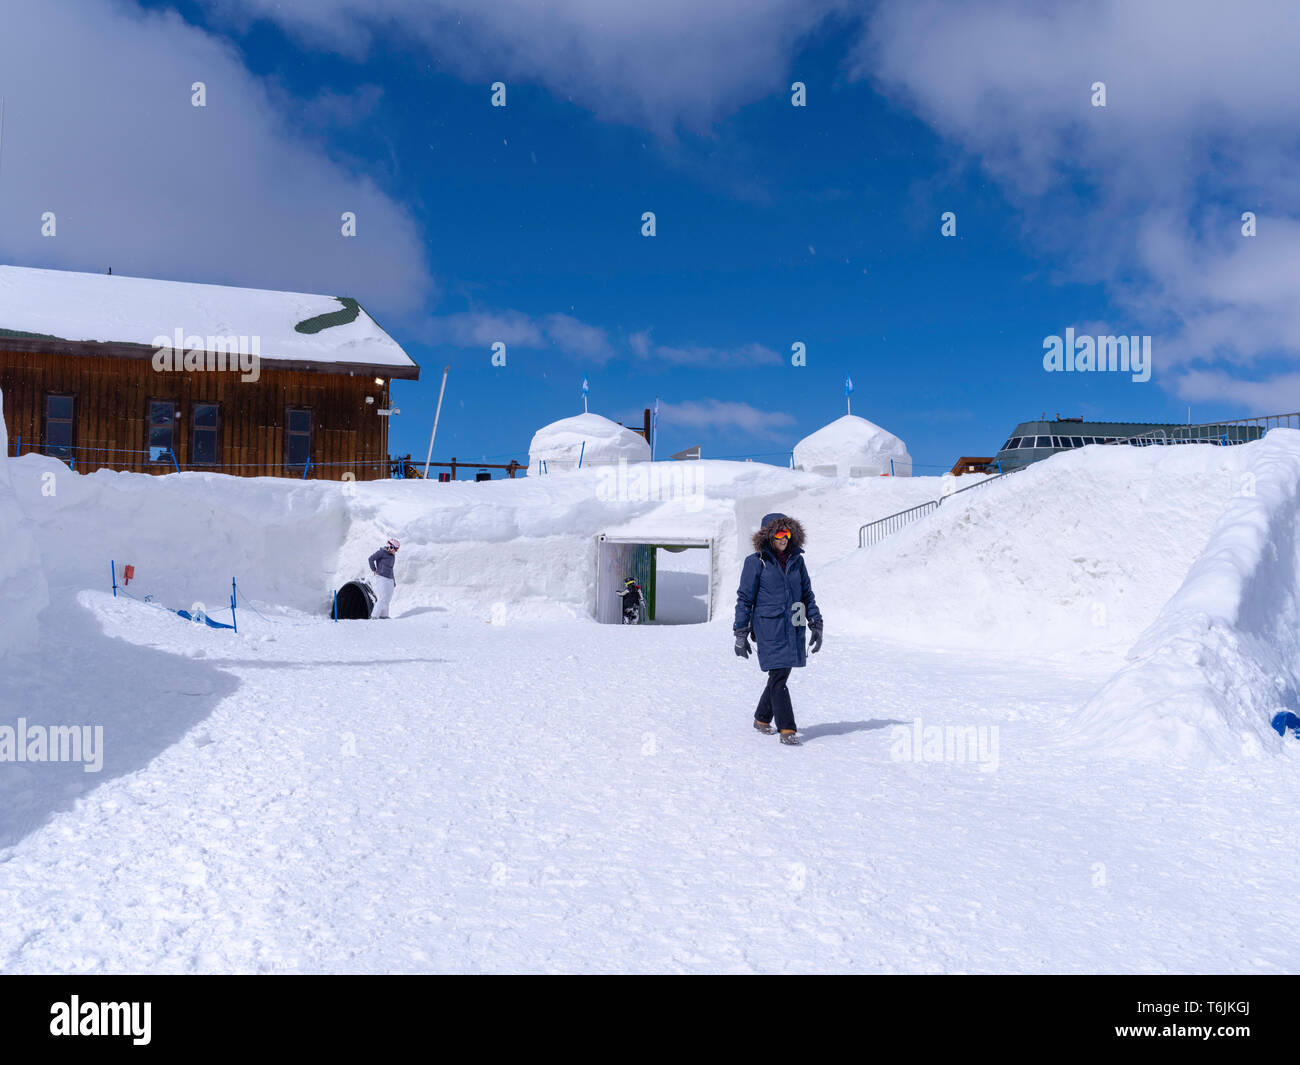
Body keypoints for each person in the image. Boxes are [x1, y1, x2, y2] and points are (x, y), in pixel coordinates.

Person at [733, 513, 823, 746]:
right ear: (769, 536)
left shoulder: (796, 560)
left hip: (793, 625)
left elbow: (806, 595)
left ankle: (762, 719)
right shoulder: (756, 562)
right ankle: (787, 728)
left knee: (779, 674)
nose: (784, 539)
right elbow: (744, 599)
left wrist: (816, 622)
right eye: (780, 534)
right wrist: (740, 633)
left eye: (788, 533)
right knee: (779, 675)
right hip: (769, 627)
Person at [367, 538, 400, 618]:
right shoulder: (382, 552)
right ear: (390, 547)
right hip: (382, 577)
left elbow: (391, 568)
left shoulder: (392, 556)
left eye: (397, 549)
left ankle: (384, 616)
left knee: (387, 598)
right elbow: (371, 559)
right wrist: (374, 569)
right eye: (395, 549)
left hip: (390, 579)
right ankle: (374, 616)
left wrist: (393, 581)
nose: (396, 551)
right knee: (382, 597)